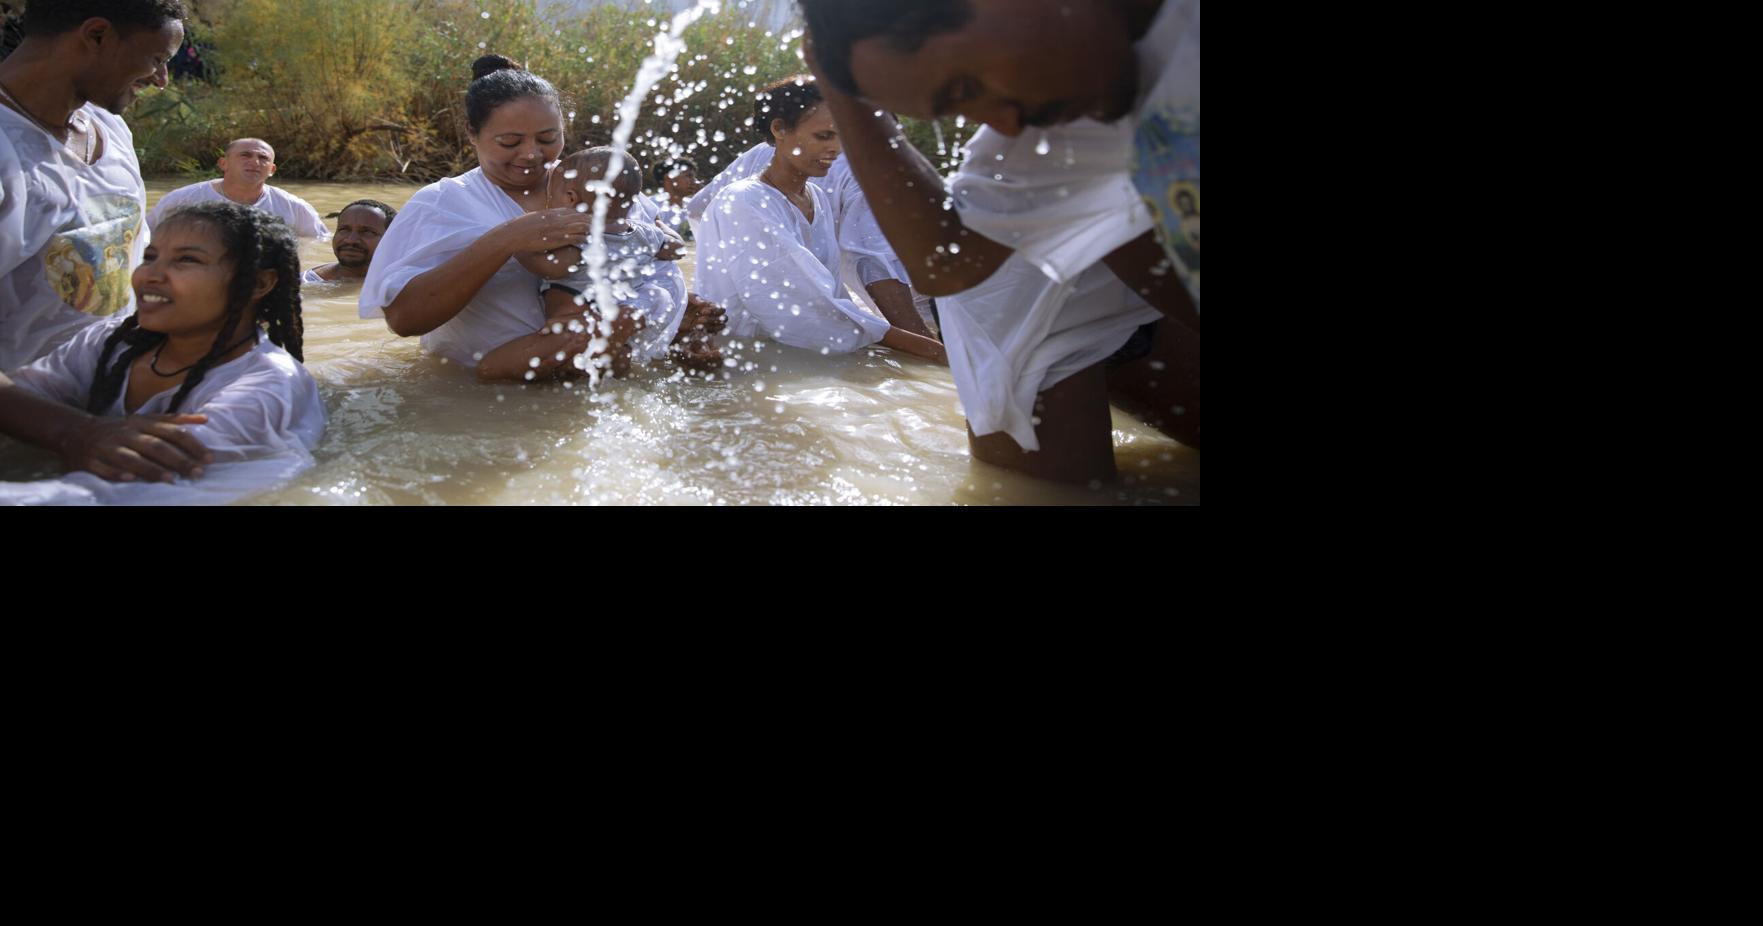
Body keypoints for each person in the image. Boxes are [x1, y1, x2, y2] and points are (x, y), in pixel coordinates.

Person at [800, 0, 1200, 485]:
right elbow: (946, 262)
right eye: (956, 110)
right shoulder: (1057, 106)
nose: (1004, 123)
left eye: (964, 86)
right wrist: (841, 84)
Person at [0, 0, 214, 485]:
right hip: (27, 440)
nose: (162, 80)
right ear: (96, 35)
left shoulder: (109, 129)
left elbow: (132, 260)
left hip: (105, 411)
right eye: (158, 59)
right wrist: (77, 435)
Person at [2, 201, 326, 505]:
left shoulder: (266, 388)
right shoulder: (110, 343)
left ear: (258, 284)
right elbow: (16, 404)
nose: (149, 275)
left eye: (187, 259)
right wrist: (76, 431)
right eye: (150, 256)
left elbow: (126, 494)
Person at [359, 55, 597, 381]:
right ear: (472, 134)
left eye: (547, 138)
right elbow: (403, 321)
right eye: (509, 142)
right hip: (476, 397)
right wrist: (505, 240)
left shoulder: (596, 186)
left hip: (582, 391)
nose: (531, 153)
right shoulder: (441, 203)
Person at [695, 75, 944, 362]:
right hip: (746, 359)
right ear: (779, 129)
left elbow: (833, 297)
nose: (836, 149)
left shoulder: (816, 196)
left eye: (843, 136)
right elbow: (810, 311)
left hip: (794, 354)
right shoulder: (744, 201)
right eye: (824, 136)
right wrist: (933, 352)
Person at [688, 131, 934, 340]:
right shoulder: (868, 167)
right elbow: (873, 264)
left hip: (747, 334)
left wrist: (729, 268)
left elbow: (698, 208)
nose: (833, 147)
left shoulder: (804, 181)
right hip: (785, 339)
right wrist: (928, 348)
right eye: (823, 133)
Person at [476, 147, 694, 382]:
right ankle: (618, 337)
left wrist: (515, 244)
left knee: (489, 369)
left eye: (550, 196)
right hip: (617, 320)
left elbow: (551, 268)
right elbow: (678, 248)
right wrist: (660, 225)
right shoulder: (643, 234)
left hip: (573, 326)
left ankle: (602, 336)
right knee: (648, 310)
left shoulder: (577, 237)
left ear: (570, 198)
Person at [147, 137, 331, 239]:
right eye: (245, 155)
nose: (255, 162)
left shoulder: (294, 207)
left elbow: (318, 245)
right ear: (224, 164)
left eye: (263, 158)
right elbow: (146, 235)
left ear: (272, 170)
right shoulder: (183, 200)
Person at [303, 199, 397, 284]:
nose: (350, 240)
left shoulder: (400, 286)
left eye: (367, 232)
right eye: (344, 230)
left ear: (390, 240)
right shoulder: (304, 282)